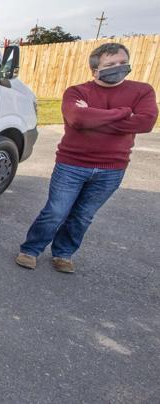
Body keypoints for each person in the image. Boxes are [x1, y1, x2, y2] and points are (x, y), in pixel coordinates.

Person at [16, 42, 157, 273]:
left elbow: (145, 122)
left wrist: (96, 117)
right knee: (56, 211)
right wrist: (123, 113)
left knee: (83, 216)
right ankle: (31, 249)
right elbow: (78, 120)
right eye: (110, 65)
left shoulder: (142, 91)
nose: (118, 68)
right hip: (72, 164)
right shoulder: (77, 92)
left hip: (112, 168)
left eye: (122, 63)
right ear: (95, 71)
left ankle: (63, 253)